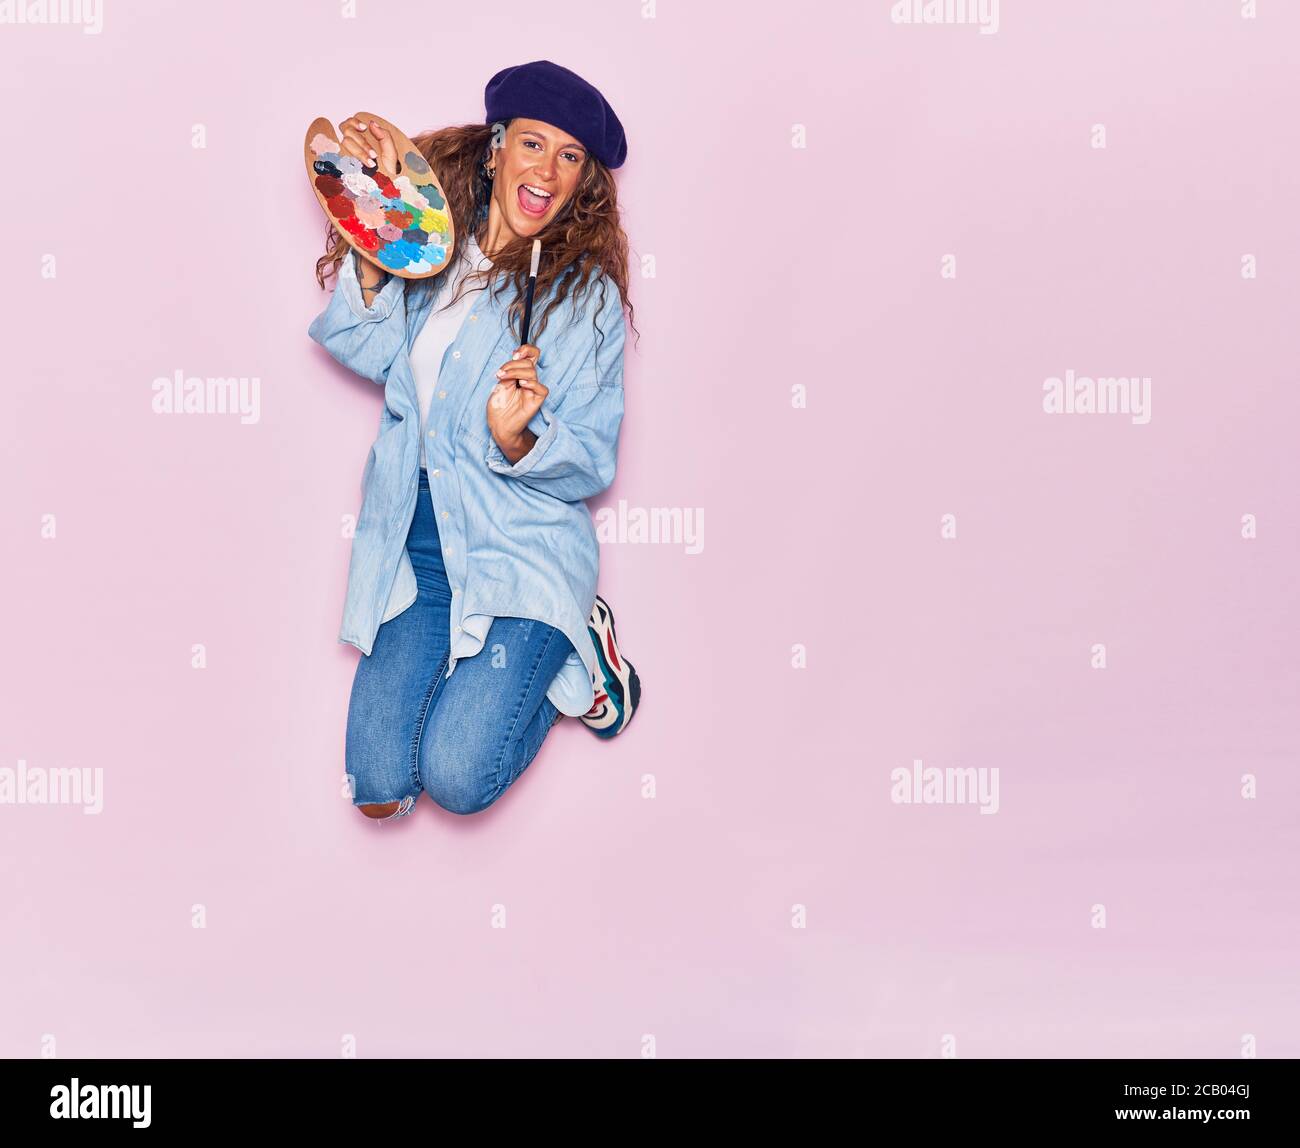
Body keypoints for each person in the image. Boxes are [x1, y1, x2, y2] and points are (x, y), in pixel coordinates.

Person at [308, 61, 641, 822]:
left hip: (518, 545)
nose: (547, 170)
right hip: (416, 545)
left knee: (457, 779)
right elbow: (366, 352)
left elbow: (591, 460)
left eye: (569, 157)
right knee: (379, 790)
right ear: (495, 150)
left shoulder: (582, 296)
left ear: (582, 180)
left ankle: (584, 657)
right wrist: (370, 218)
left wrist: (521, 440)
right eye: (532, 144)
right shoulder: (431, 254)